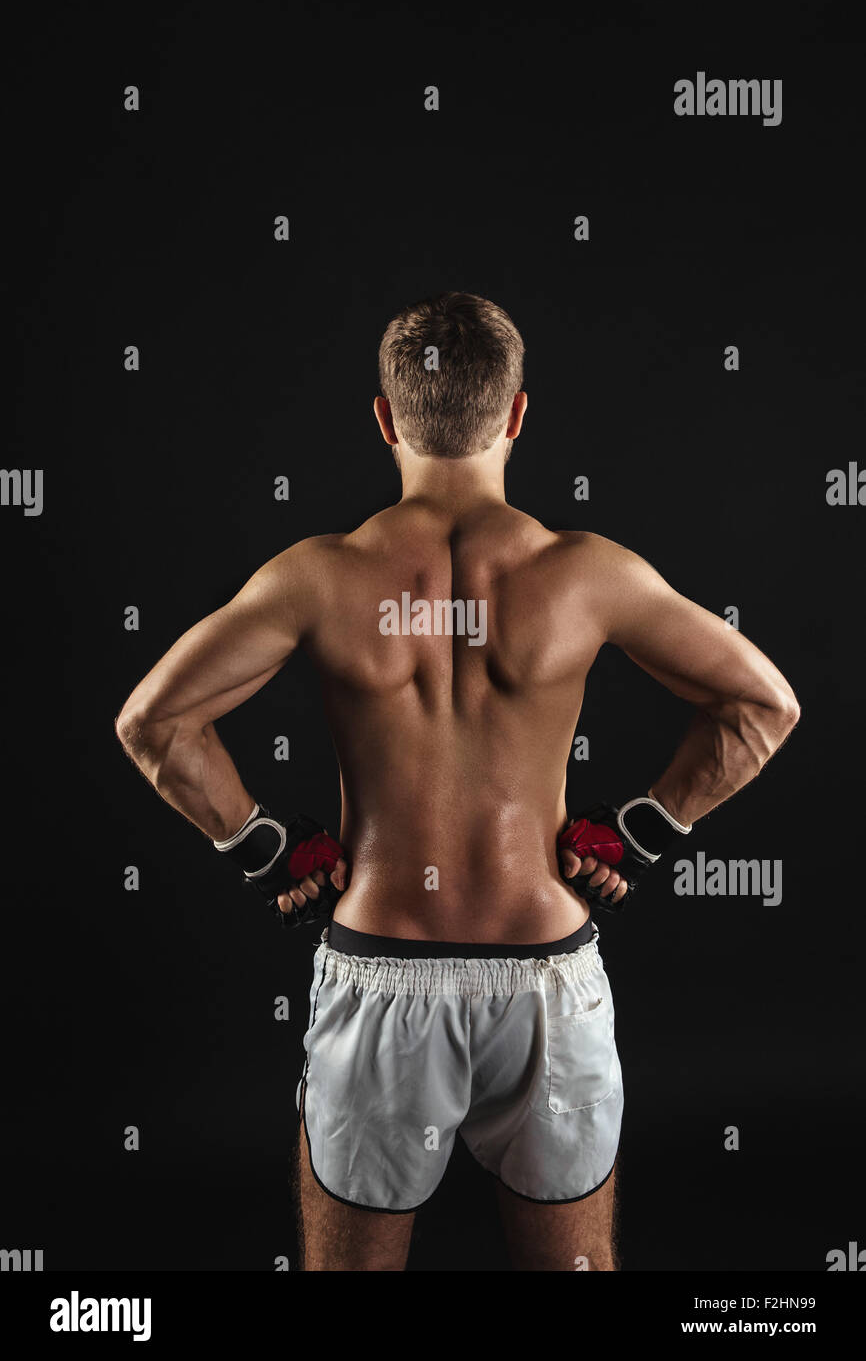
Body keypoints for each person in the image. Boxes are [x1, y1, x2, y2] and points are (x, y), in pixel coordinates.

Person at [116, 291, 800, 1271]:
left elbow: (154, 723)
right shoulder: (585, 572)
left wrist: (266, 846)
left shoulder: (317, 575)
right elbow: (762, 705)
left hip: (381, 968)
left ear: (385, 419)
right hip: (547, 980)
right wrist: (640, 829)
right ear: (517, 413)